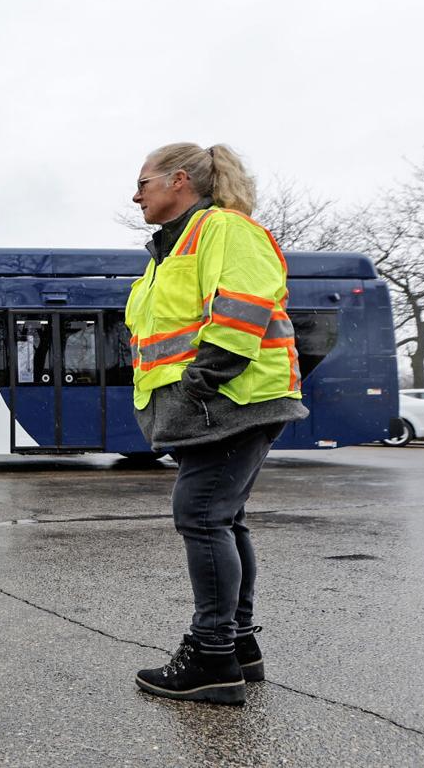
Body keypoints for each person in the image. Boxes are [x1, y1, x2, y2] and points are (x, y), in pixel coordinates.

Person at [126, 142, 309, 706]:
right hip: (213, 405)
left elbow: (241, 308)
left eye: (144, 183)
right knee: (224, 520)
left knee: (202, 516)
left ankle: (210, 657)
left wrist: (202, 383)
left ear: (179, 180)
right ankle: (238, 646)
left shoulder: (223, 228)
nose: (136, 196)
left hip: (230, 401)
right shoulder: (171, 250)